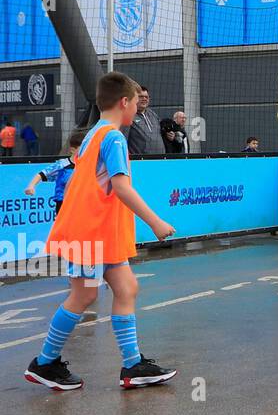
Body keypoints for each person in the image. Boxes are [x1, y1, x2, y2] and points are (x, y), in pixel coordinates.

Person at [25, 72, 177, 391]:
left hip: (99, 233)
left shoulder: (95, 133)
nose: (138, 109)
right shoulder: (113, 137)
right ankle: (45, 362)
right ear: (124, 102)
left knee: (126, 288)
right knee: (84, 294)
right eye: (136, 103)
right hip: (90, 232)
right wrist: (155, 222)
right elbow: (120, 187)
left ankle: (133, 365)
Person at [23, 129, 87, 216]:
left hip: (81, 204)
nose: (86, 151)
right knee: (65, 229)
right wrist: (31, 186)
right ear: (72, 150)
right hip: (63, 204)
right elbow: (41, 174)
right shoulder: (62, 165)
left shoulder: (88, 165)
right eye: (83, 148)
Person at [126, 85, 165, 156]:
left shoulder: (153, 114)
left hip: (160, 160)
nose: (144, 99)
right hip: (141, 162)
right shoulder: (128, 115)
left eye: (146, 97)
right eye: (141, 97)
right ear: (134, 98)